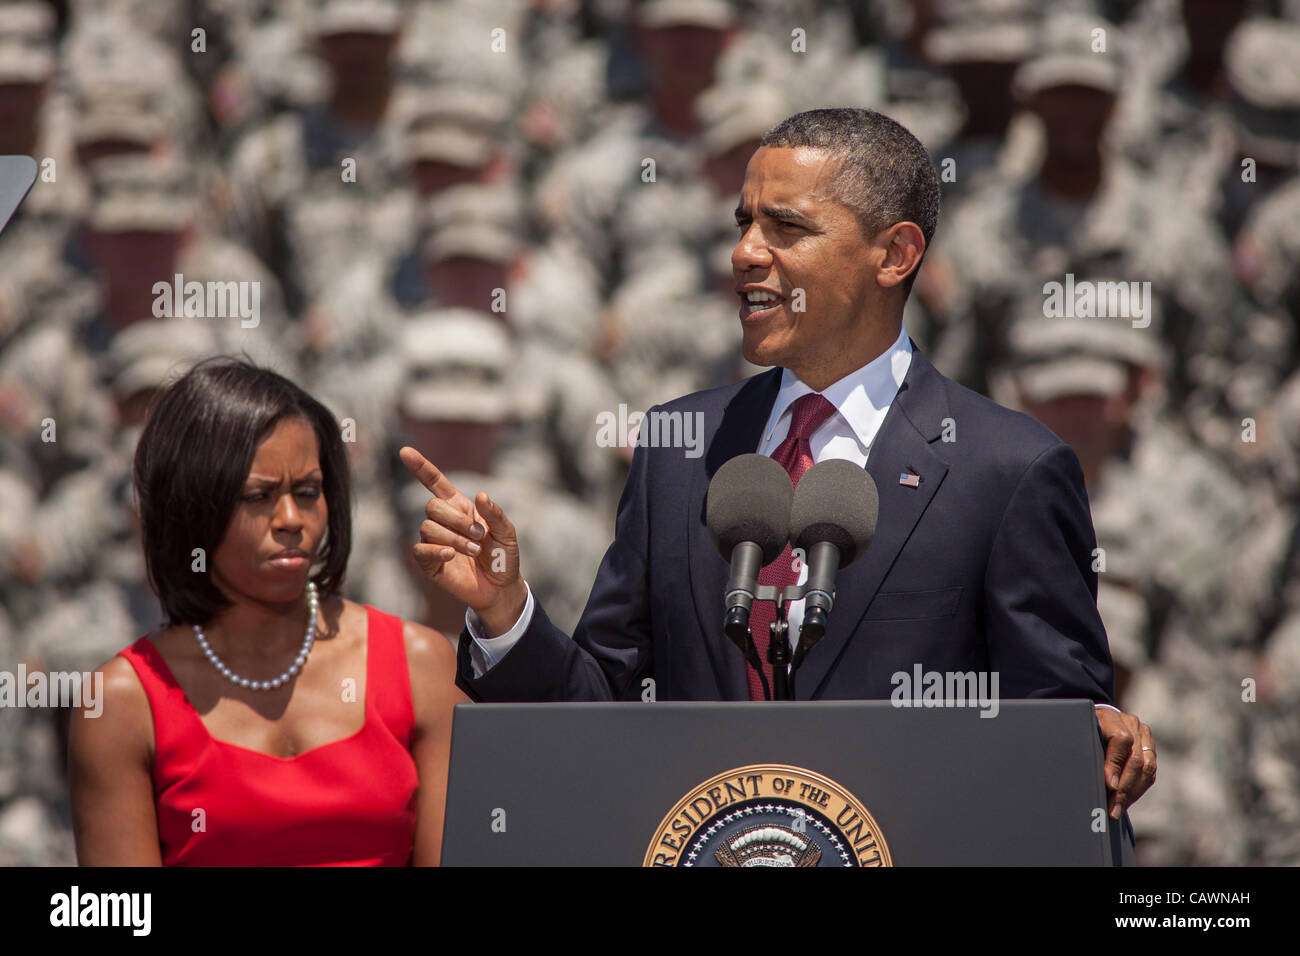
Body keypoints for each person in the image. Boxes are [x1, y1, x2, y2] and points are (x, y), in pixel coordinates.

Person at [402, 107, 1157, 822]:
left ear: (894, 255)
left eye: (785, 227)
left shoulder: (1009, 469)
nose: (744, 252)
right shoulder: (679, 447)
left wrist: (1096, 732)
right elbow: (604, 710)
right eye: (743, 223)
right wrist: (506, 614)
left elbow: (1056, 733)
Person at [68, 358, 467, 866]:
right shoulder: (121, 704)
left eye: (307, 492)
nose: (290, 520)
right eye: (258, 496)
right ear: (190, 505)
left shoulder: (421, 666)